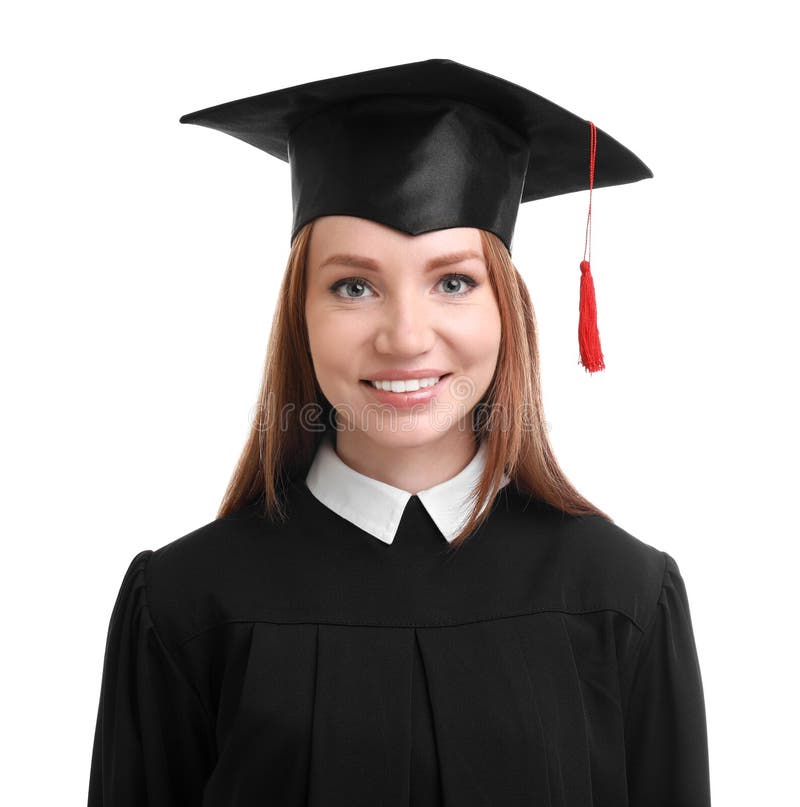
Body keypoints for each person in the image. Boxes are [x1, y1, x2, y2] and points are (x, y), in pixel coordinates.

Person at [87, 59, 711, 806]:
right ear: (302, 315)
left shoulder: (623, 597)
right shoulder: (187, 607)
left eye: (453, 281)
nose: (407, 337)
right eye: (355, 285)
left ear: (505, 309)